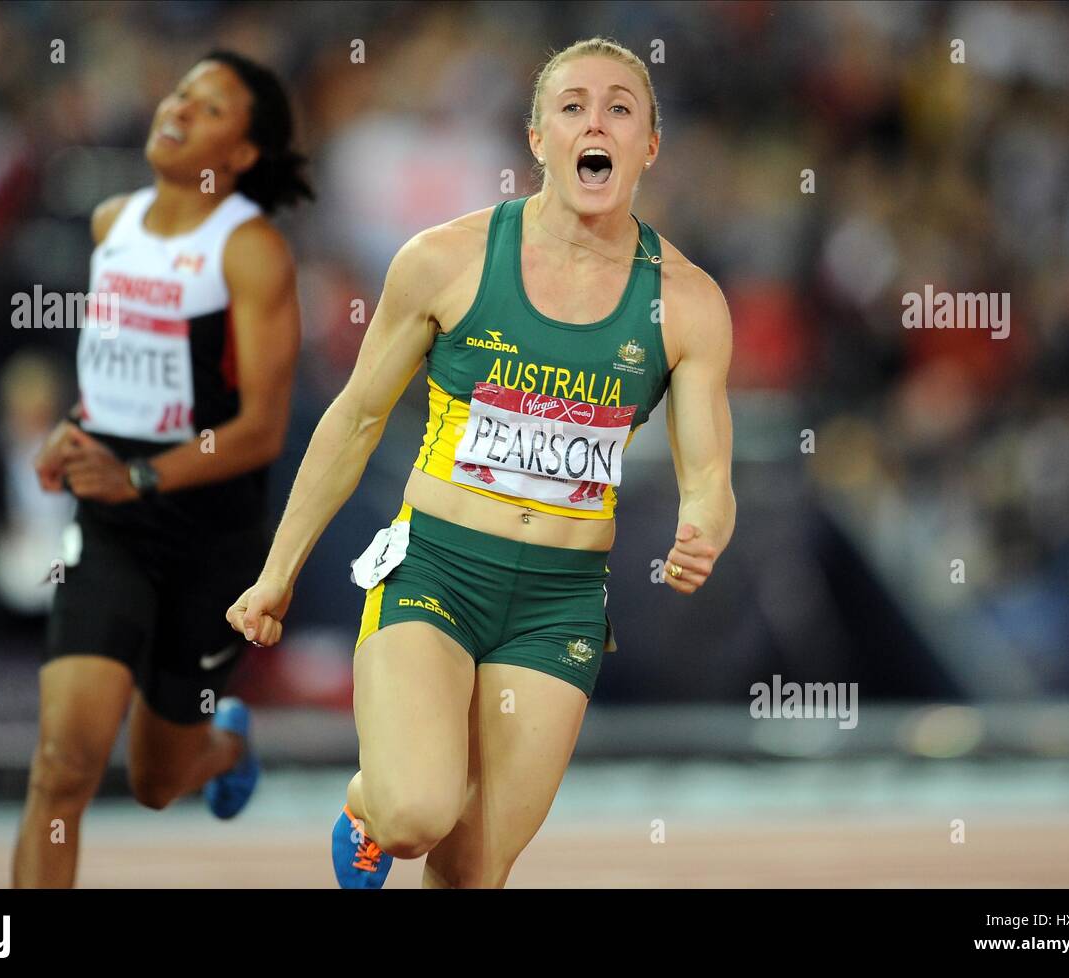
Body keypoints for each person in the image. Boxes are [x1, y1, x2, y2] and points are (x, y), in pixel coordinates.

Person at [228, 37, 735, 889]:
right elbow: (354, 419)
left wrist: (702, 528)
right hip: (435, 569)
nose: (595, 121)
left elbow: (710, 476)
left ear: (649, 144)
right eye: (572, 105)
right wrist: (278, 571)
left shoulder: (685, 303)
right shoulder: (445, 262)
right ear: (537, 139)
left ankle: (394, 797)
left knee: (472, 869)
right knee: (417, 816)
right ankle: (368, 800)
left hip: (559, 603)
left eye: (620, 107)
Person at [13, 50, 310, 888]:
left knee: (153, 783)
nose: (179, 107)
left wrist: (142, 476)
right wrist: (72, 431)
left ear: (243, 154)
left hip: (211, 542)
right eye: (181, 91)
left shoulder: (251, 253)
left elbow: (260, 429)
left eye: (210, 107)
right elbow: (116, 370)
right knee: (62, 768)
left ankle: (223, 749)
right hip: (109, 527)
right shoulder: (113, 223)